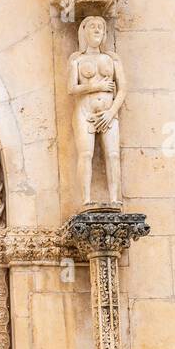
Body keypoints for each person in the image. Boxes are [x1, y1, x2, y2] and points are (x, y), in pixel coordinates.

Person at [67, 16, 127, 208]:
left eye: (100, 27)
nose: (97, 30)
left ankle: (114, 198)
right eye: (92, 27)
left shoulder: (111, 59)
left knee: (113, 154)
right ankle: (86, 198)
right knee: (85, 154)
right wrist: (95, 86)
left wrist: (111, 112)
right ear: (83, 32)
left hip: (108, 113)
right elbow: (71, 88)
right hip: (84, 112)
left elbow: (123, 89)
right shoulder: (77, 59)